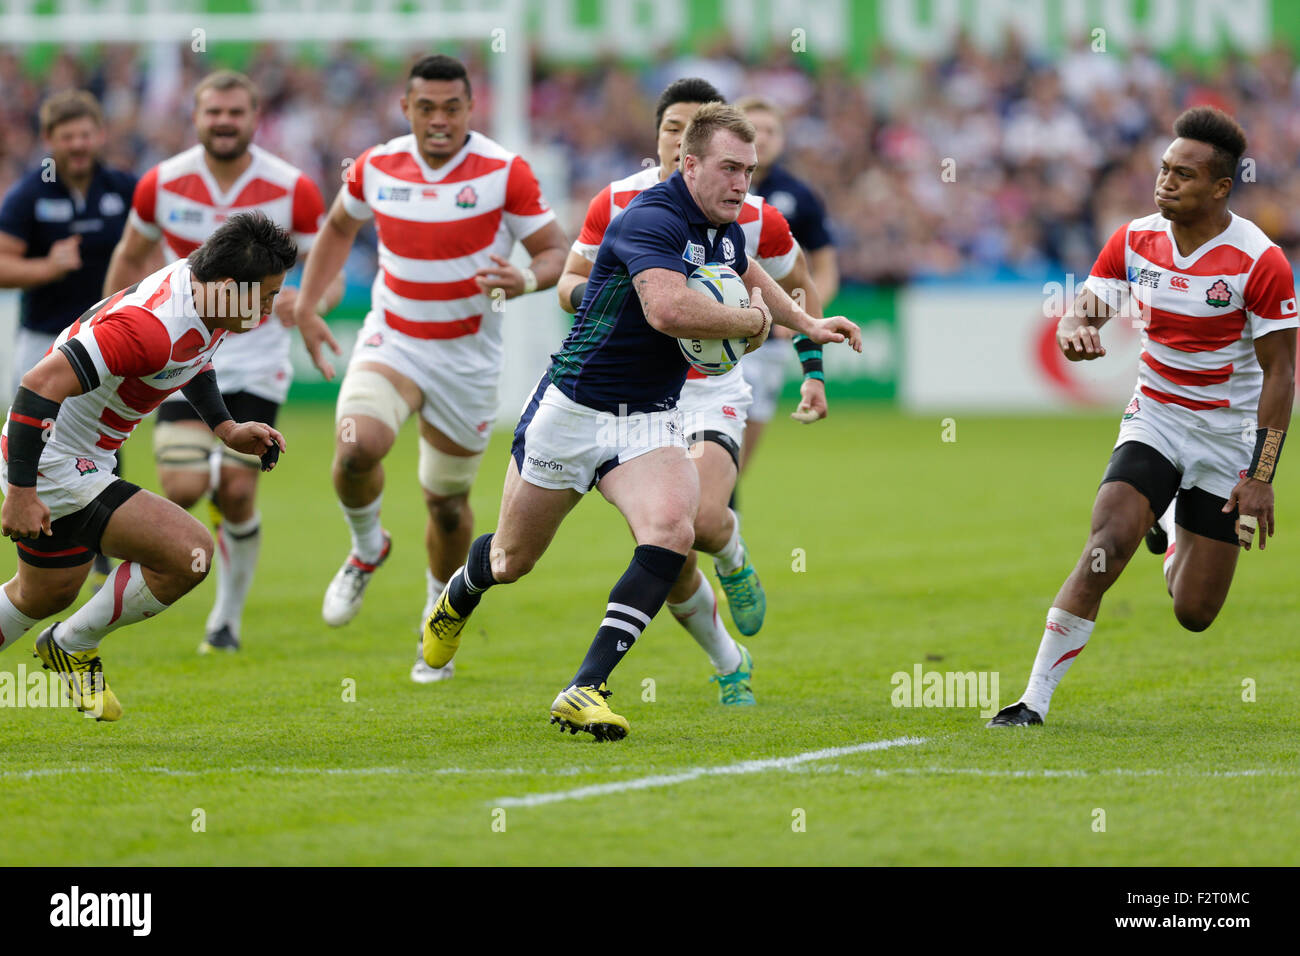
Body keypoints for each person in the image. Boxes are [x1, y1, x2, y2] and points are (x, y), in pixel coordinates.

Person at [419, 103, 862, 740]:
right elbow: (667, 310)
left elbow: (748, 270)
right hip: (573, 410)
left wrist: (807, 325)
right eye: (730, 168)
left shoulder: (724, 225)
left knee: (673, 529)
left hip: (649, 416)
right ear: (689, 164)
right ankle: (461, 593)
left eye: (749, 170)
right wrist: (752, 323)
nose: (742, 182)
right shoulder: (651, 216)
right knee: (512, 559)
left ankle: (586, 687)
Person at [988, 107, 1296, 728]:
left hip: (1228, 437)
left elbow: (1281, 374)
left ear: (1221, 187)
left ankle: (1175, 526)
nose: (1166, 182)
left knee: (1194, 612)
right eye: (1163, 169)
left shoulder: (1259, 261)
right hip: (1155, 416)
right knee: (1106, 545)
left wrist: (1261, 476)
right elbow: (1083, 312)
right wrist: (1074, 331)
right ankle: (1032, 700)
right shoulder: (1133, 240)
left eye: (1184, 174)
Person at [294, 54, 567, 684]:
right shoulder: (376, 166)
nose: (439, 120)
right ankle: (367, 547)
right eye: (426, 108)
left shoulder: (504, 172)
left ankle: (435, 615)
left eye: (451, 108)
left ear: (470, 108)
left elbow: (555, 250)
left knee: (446, 507)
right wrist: (307, 305)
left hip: (466, 361)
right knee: (357, 445)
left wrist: (525, 278)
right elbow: (337, 227)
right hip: (392, 339)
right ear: (406, 109)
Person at [555, 78, 829, 705]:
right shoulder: (617, 202)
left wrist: (812, 368)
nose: (680, 142)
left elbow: (798, 285)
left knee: (702, 521)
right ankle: (728, 660)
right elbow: (568, 283)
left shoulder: (751, 212)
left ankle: (731, 553)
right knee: (667, 549)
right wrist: (610, 293)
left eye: (691, 131)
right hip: (636, 394)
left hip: (711, 388)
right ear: (663, 140)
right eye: (671, 129)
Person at [0, 213, 293, 721]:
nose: (269, 310)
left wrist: (225, 428)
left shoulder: (204, 293)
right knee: (190, 554)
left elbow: (193, 356)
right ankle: (72, 644)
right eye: (265, 298)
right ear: (229, 287)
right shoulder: (147, 328)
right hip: (55, 460)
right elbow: (38, 384)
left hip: (78, 457)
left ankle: (67, 640)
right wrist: (22, 491)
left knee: (42, 593)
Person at [103, 70, 340, 654]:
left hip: (257, 362)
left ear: (256, 117)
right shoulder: (161, 183)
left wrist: (310, 304)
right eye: (214, 112)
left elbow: (328, 268)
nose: (225, 122)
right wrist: (110, 333)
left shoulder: (292, 187)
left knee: (236, 492)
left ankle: (225, 621)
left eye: (236, 112)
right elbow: (130, 255)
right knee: (181, 487)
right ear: (196, 117)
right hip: (178, 355)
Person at [0, 90, 140, 588]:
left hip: (107, 340)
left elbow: (153, 250)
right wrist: (47, 266)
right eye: (67, 136)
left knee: (105, 435)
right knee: (34, 437)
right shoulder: (30, 194)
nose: (78, 145)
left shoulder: (124, 187)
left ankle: (98, 540)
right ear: (49, 139)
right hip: (43, 340)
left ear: (100, 134)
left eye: (85, 134)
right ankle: (37, 534)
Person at [736, 96, 840, 472]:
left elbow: (824, 271)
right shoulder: (707, 188)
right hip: (713, 332)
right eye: (753, 129)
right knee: (705, 452)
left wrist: (795, 317)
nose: (762, 138)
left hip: (769, 343)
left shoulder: (799, 196)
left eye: (771, 131)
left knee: (735, 464)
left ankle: (725, 510)